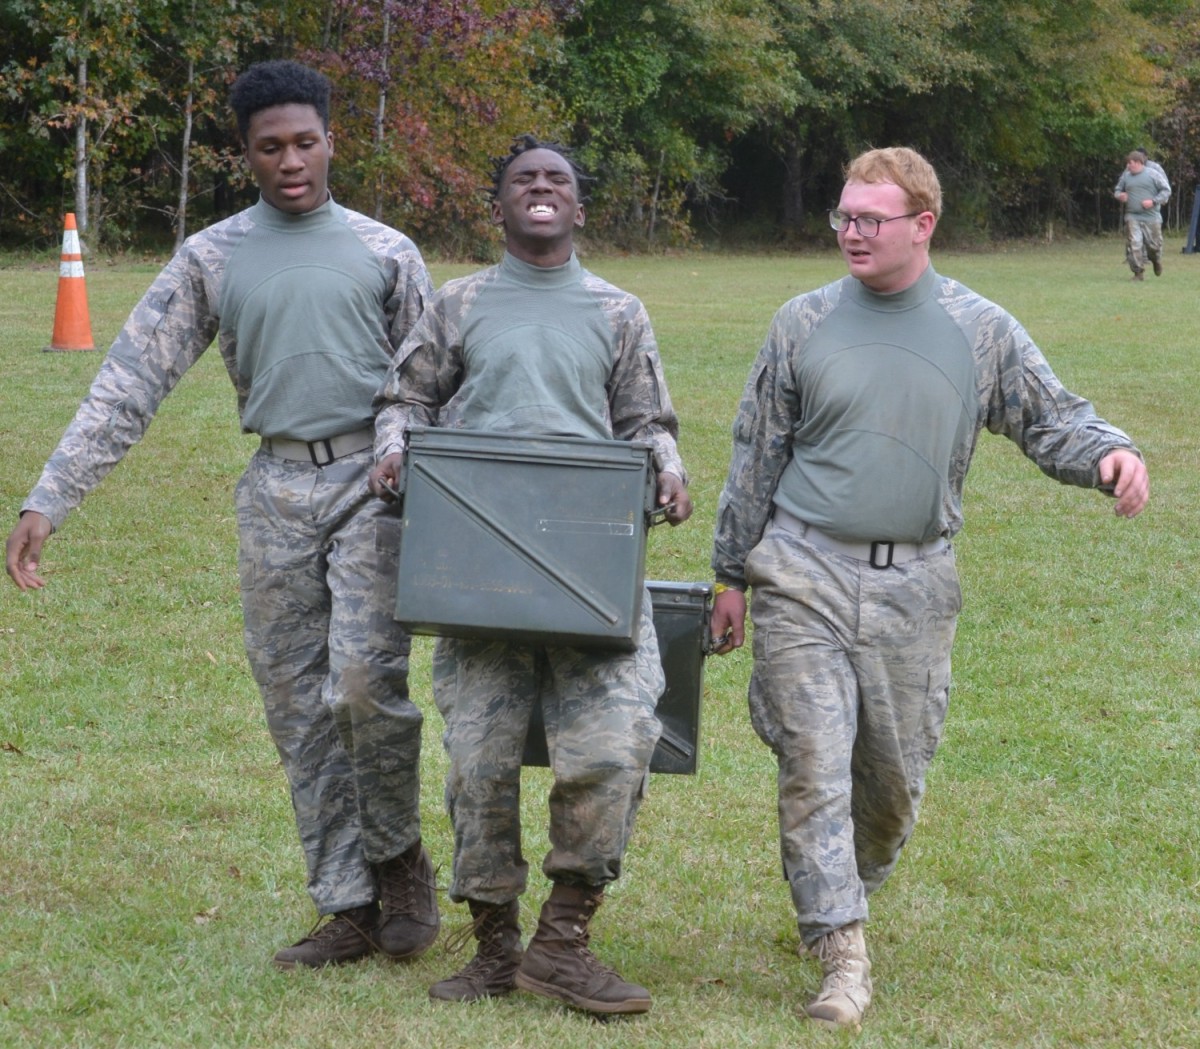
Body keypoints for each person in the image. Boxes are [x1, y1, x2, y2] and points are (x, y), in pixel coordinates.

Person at [5, 60, 440, 971]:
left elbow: (429, 382)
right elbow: (130, 381)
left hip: (378, 485)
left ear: (332, 141)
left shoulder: (387, 251)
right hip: (275, 492)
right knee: (297, 709)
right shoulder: (211, 256)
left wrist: (402, 451)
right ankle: (348, 904)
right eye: (270, 147)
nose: (291, 160)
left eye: (305, 142)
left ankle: (398, 857)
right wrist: (51, 494)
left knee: (362, 684)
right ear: (245, 154)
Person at [708, 146, 1149, 1030]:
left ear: (923, 224)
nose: (852, 232)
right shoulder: (799, 322)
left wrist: (1108, 451)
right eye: (843, 216)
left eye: (870, 218)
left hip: (915, 582)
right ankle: (840, 949)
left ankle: (845, 881)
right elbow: (756, 453)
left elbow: (1049, 415)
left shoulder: (978, 328)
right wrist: (730, 574)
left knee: (893, 785)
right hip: (801, 568)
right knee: (813, 761)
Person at [369, 134, 692, 1016]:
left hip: (591, 563)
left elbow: (646, 421)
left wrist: (667, 466)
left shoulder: (618, 310)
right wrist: (394, 450)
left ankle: (564, 938)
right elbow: (406, 401)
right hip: (475, 566)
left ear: (579, 208)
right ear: (500, 204)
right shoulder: (457, 303)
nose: (541, 189)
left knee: (618, 741)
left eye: (557, 180)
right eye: (523, 180)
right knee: (478, 762)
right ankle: (496, 945)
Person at [1114, 149, 1170, 280]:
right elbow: (1117, 190)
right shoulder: (1126, 176)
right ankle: (1138, 273)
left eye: (1131, 163)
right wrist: (1120, 195)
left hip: (1152, 217)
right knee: (1134, 243)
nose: (1128, 166)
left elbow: (1166, 190)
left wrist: (1153, 201)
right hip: (1132, 216)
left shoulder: (1153, 174)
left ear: (1139, 162)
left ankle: (1155, 260)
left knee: (1154, 246)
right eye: (1127, 163)